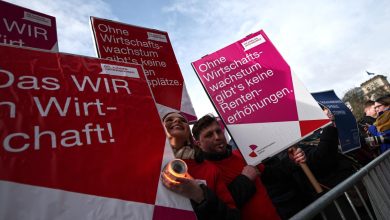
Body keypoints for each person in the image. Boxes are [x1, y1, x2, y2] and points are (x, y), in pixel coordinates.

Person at [192, 114, 306, 220]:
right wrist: (245, 179)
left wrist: (291, 161)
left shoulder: (241, 154)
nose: (217, 137)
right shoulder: (203, 172)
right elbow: (220, 208)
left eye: (218, 131)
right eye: (209, 135)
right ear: (198, 144)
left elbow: (271, 174)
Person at [161, 112, 255, 220]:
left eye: (182, 120)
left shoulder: (210, 169)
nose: (177, 121)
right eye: (169, 120)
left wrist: (200, 195)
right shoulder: (149, 164)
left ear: (189, 136)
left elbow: (232, 215)